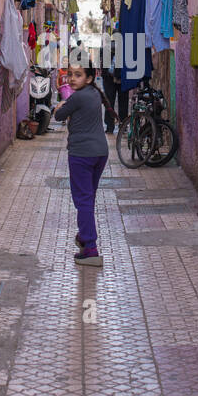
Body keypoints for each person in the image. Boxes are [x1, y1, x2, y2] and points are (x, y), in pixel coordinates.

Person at [51, 49, 116, 267]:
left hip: (82, 154)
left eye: (78, 75)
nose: (72, 78)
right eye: (70, 74)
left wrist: (60, 105)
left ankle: (90, 247)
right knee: (88, 198)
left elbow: (58, 115)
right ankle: (84, 237)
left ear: (89, 77)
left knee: (83, 200)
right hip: (100, 153)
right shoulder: (95, 93)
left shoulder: (77, 96)